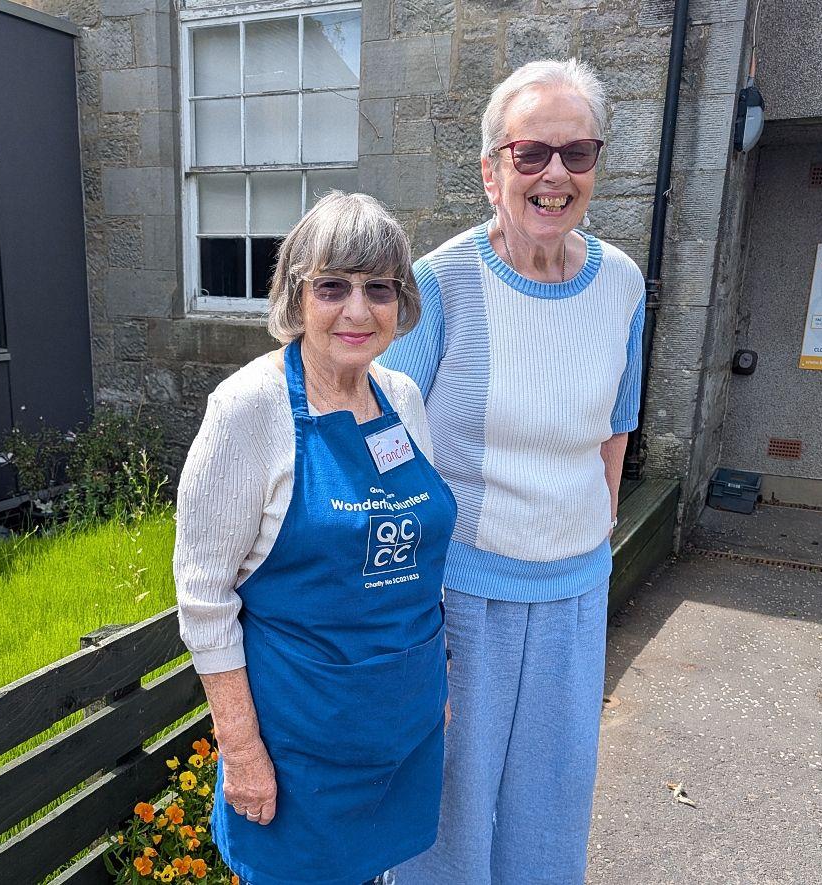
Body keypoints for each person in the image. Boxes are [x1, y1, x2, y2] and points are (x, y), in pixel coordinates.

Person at [378, 59, 645, 884]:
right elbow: (381, 442)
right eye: (531, 154)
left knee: (553, 801)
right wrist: (405, 602)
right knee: (447, 809)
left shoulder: (623, 283)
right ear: (492, 169)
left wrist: (593, 525)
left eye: (577, 153)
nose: (555, 175)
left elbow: (617, 423)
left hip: (572, 590)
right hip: (459, 599)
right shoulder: (442, 281)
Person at [174, 192, 457, 885]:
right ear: (296, 296)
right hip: (300, 746)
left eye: (378, 288)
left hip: (401, 728)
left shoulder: (404, 399)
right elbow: (204, 599)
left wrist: (435, 683)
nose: (357, 310)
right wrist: (240, 750)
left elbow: (420, 559)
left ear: (401, 302)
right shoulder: (249, 409)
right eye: (332, 286)